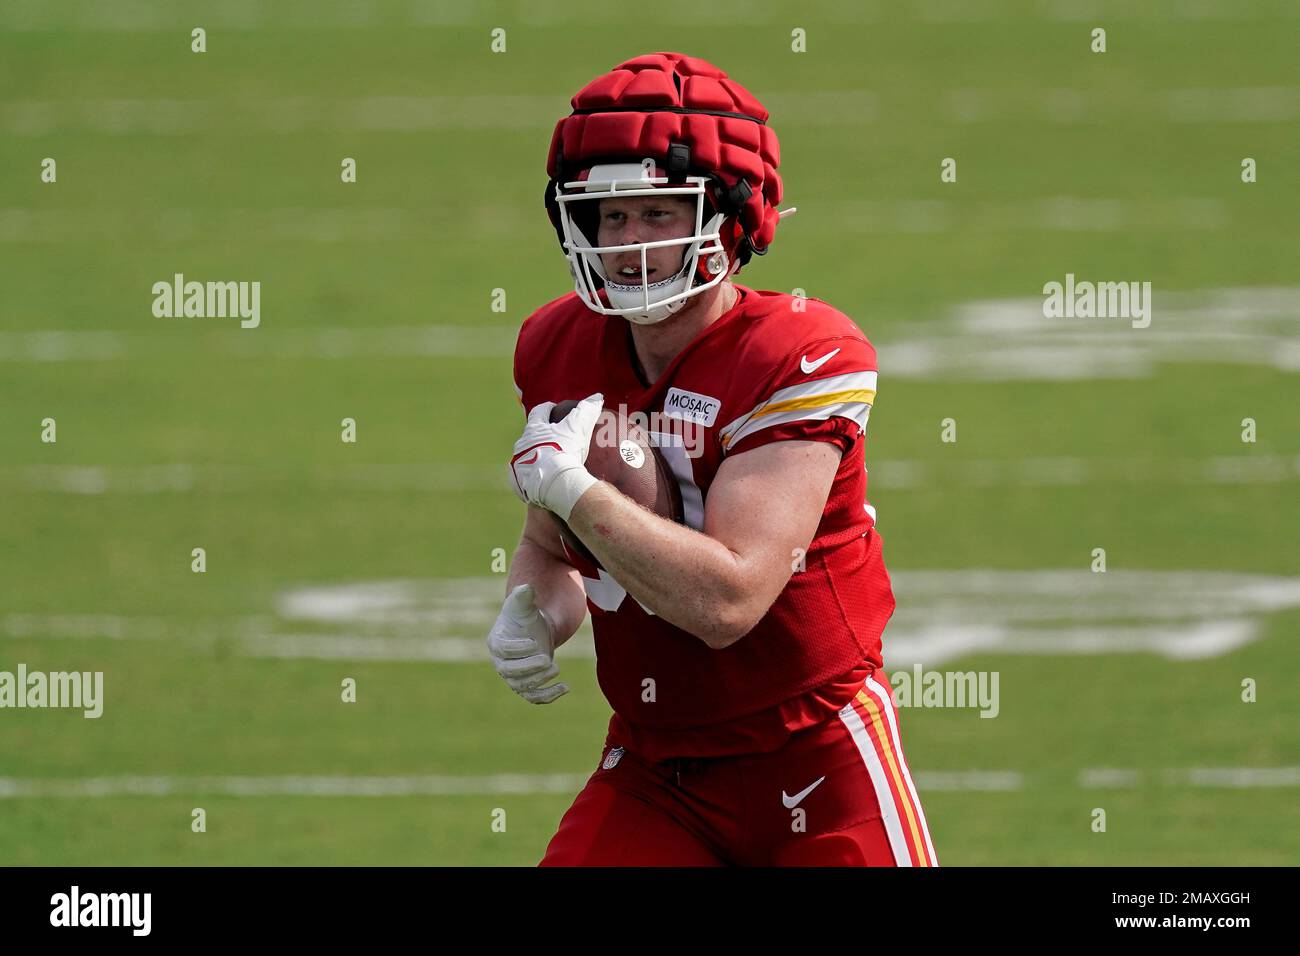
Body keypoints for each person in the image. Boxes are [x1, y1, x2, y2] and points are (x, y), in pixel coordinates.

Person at [490, 52, 937, 866]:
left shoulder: (799, 352)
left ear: (733, 215)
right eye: (610, 217)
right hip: (657, 764)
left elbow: (729, 601)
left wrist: (576, 490)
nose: (630, 242)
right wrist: (537, 612)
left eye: (658, 212)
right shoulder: (558, 345)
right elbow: (549, 546)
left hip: (816, 751)